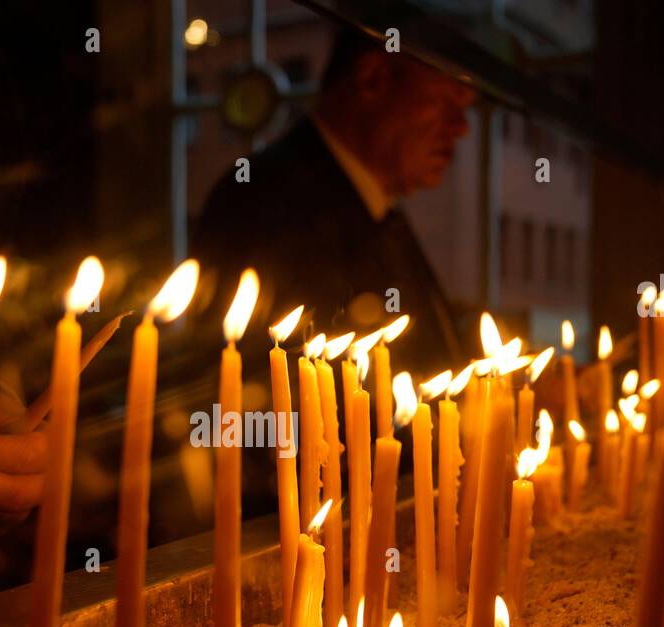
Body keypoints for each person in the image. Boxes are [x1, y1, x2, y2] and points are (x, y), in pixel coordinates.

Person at [192, 28, 477, 377]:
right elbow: (265, 394)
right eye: (447, 102)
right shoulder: (266, 200)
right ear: (373, 79)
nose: (461, 127)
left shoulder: (371, 203)